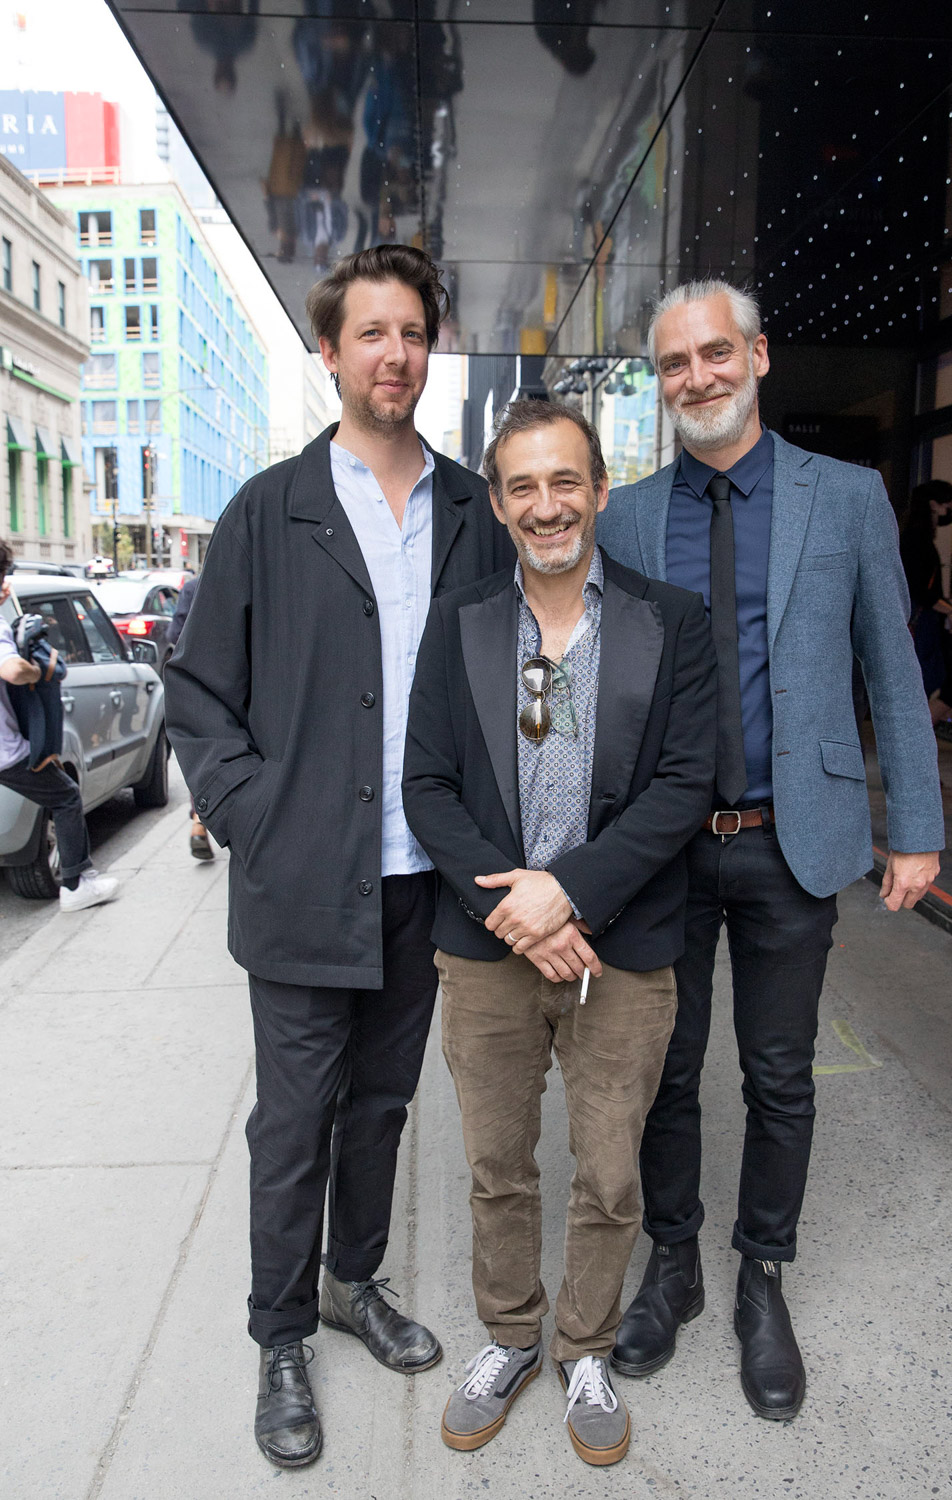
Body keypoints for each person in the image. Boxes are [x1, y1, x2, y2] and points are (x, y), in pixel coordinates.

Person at [164, 245, 513, 1470]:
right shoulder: (271, 507)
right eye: (371, 333)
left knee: (381, 1107)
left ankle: (348, 1282)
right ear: (330, 351)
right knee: (294, 1122)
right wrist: (255, 813)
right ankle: (277, 1333)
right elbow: (199, 692)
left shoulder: (472, 509)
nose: (395, 355)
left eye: (413, 333)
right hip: (303, 880)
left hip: (429, 879)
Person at [597, 280, 944, 1421]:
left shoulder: (842, 498)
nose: (694, 376)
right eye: (672, 364)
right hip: (664, 853)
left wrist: (918, 832)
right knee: (665, 1075)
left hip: (796, 840)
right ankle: (674, 1266)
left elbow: (888, 667)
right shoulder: (630, 517)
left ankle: (761, 1278)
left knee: (780, 1076)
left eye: (712, 354)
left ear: (755, 358)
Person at [402, 401, 717, 1465]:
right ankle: (508, 1337)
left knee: (609, 1170)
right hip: (487, 949)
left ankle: (583, 1344)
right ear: (498, 505)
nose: (547, 505)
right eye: (523, 487)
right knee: (496, 1164)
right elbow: (426, 786)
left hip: (620, 950)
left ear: (599, 489)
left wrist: (569, 894)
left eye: (565, 482)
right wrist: (514, 908)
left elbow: (683, 786)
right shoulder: (460, 624)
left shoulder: (670, 621)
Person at [0, 538, 119, 912]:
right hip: (5, 752)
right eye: (3, 576)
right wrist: (37, 672)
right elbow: (14, 669)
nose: (7, 584)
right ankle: (76, 882)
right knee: (66, 796)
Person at [899, 480, 952, 726]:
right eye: (949, 503)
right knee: (944, 687)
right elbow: (918, 588)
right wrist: (950, 612)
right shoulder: (917, 540)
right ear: (934, 505)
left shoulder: (916, 537)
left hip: (927, 624)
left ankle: (915, 743)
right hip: (926, 625)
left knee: (936, 687)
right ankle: (915, 742)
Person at [164, 573, 212, 859]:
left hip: (199, 683)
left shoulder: (193, 586)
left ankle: (199, 820)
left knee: (204, 751)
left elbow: (174, 635)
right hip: (242, 683)